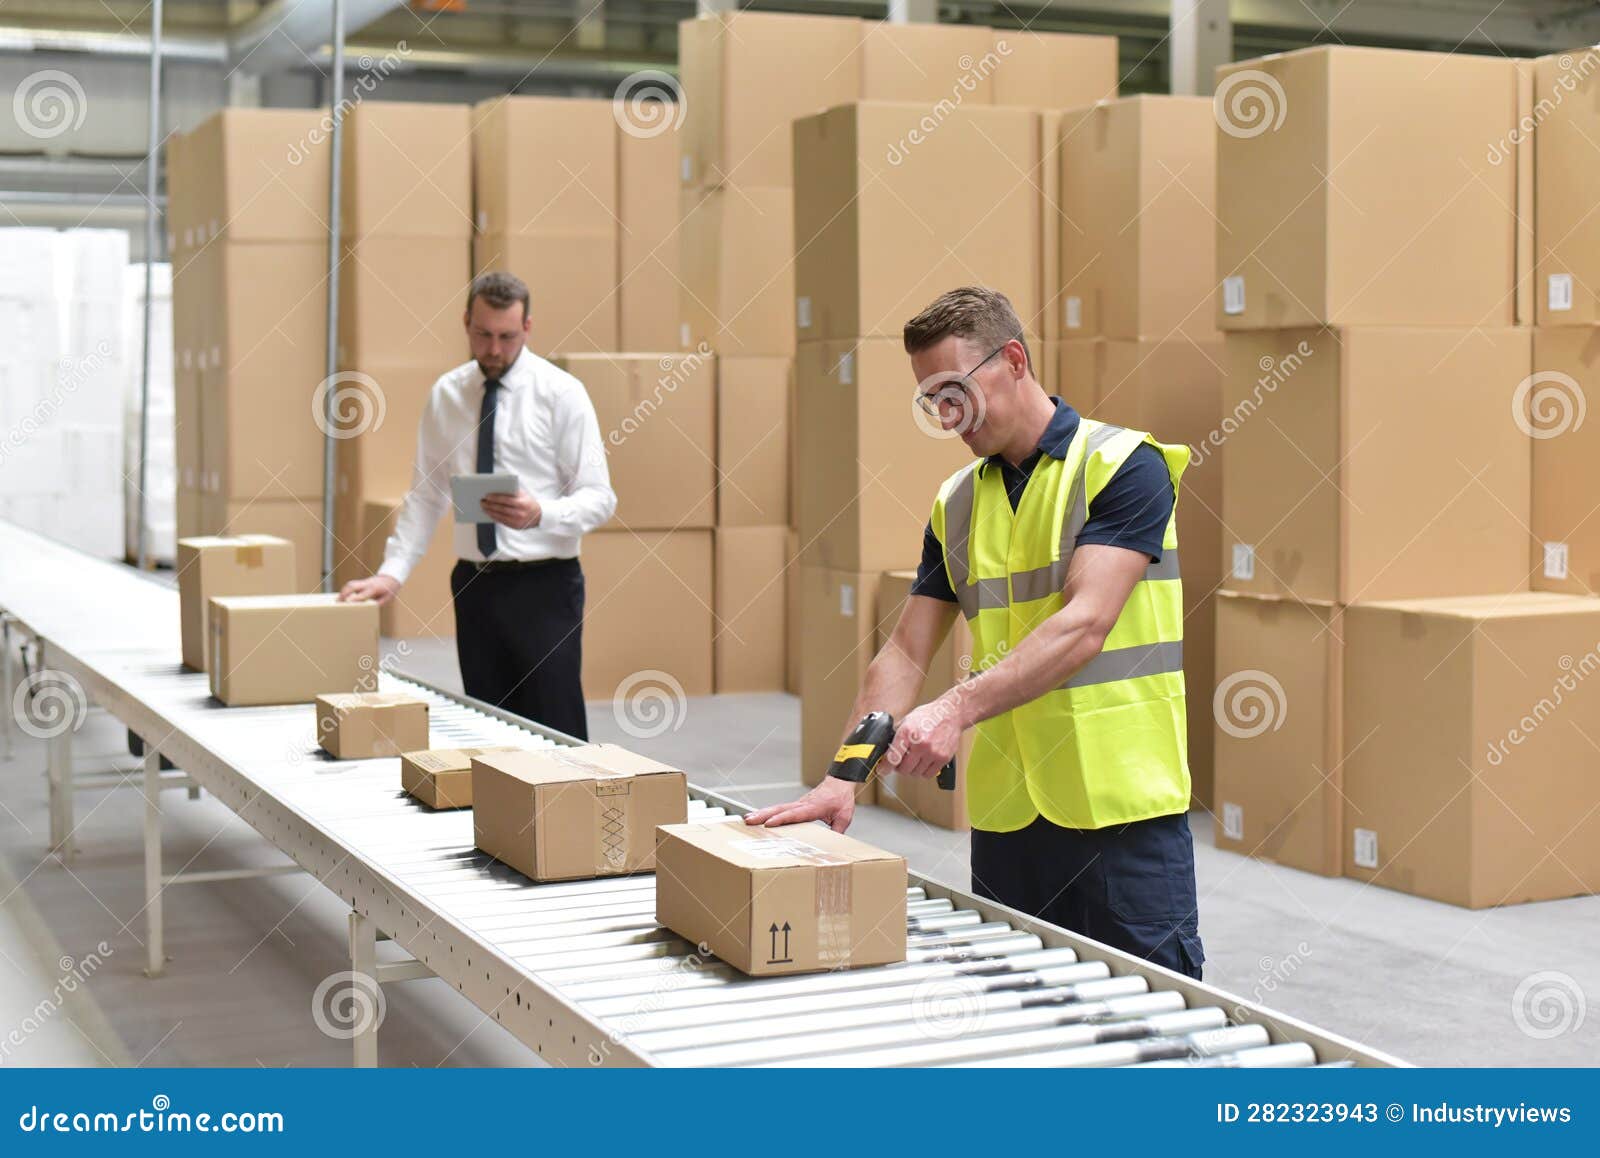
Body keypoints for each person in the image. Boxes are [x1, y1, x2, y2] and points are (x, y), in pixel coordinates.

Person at [746, 286, 1203, 978]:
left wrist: (954, 708)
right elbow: (905, 649)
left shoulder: (1122, 467)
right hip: (1010, 820)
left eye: (955, 390)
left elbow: (1085, 624)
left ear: (1013, 359)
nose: (946, 415)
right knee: (1018, 1020)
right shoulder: (957, 504)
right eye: (931, 399)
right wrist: (845, 776)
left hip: (1121, 813)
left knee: (1152, 1036)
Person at [339, 272, 615, 740]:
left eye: (507, 337)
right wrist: (393, 571)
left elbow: (600, 498)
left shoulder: (561, 394)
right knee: (488, 733)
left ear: (527, 328)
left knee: (556, 732)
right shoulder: (448, 394)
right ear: (466, 323)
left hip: (545, 585)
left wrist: (541, 513)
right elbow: (427, 492)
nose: (493, 349)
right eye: (483, 335)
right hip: (476, 587)